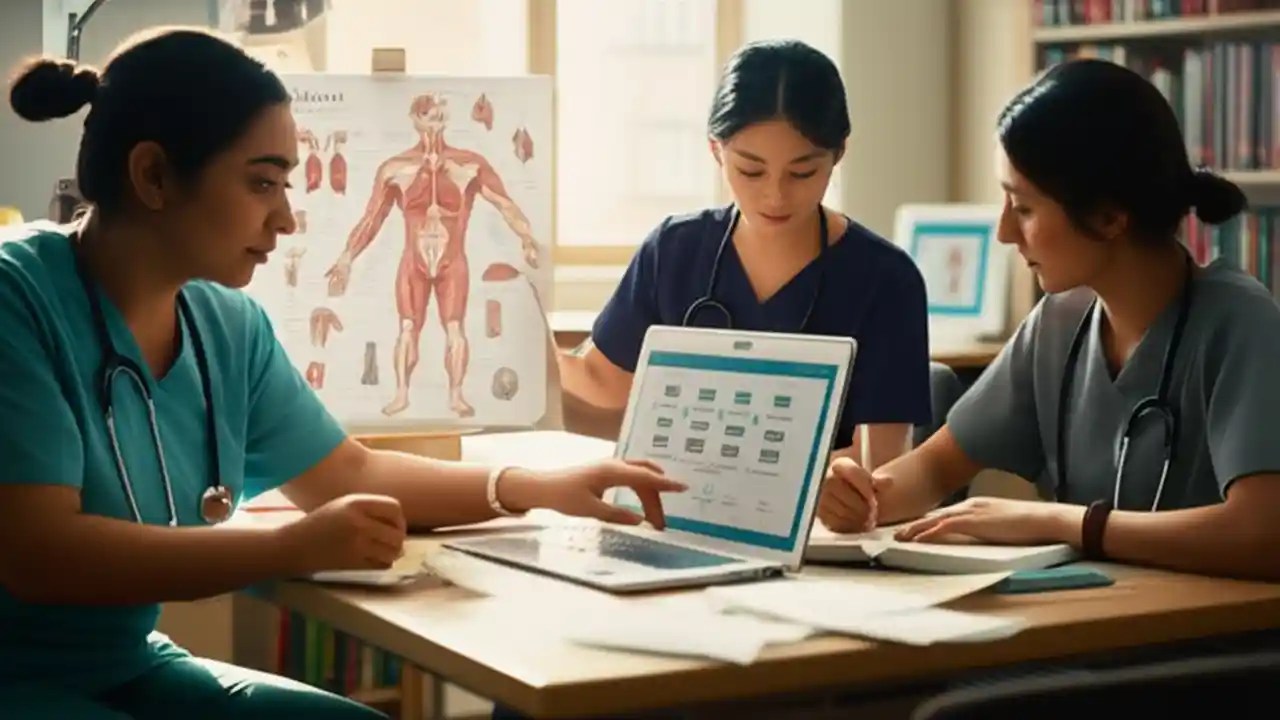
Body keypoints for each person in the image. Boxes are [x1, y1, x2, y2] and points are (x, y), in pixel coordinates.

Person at [0, 27, 685, 719]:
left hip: (124, 665)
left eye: (285, 186)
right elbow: (39, 553)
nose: (287, 219)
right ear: (153, 175)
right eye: (262, 182)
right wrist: (285, 549)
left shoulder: (225, 327)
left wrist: (534, 488)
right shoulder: (15, 299)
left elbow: (348, 473)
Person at [822, 58, 1280, 583]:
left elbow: (1264, 533)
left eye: (1023, 208)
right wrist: (864, 496)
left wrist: (1062, 523)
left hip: (1205, 630)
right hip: (1094, 617)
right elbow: (934, 467)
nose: (1003, 232)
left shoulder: (1239, 322)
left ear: (1109, 216)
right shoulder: (1059, 323)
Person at [556, 39, 933, 479]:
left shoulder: (885, 279)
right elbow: (601, 383)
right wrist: (514, 331)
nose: (775, 195)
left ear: (838, 155)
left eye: (802, 172)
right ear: (716, 150)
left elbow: (883, 465)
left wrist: (802, 480)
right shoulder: (675, 252)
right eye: (751, 170)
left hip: (820, 519)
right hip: (679, 509)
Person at [324, 92, 541, 419]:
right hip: (414, 262)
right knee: (407, 327)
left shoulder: (469, 165)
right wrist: (346, 257)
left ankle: (456, 396)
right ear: (415, 119)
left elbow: (504, 203)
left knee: (455, 328)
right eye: (428, 114)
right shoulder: (395, 169)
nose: (435, 119)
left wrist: (526, 237)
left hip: (452, 260)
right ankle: (401, 394)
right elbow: (372, 218)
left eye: (440, 113)